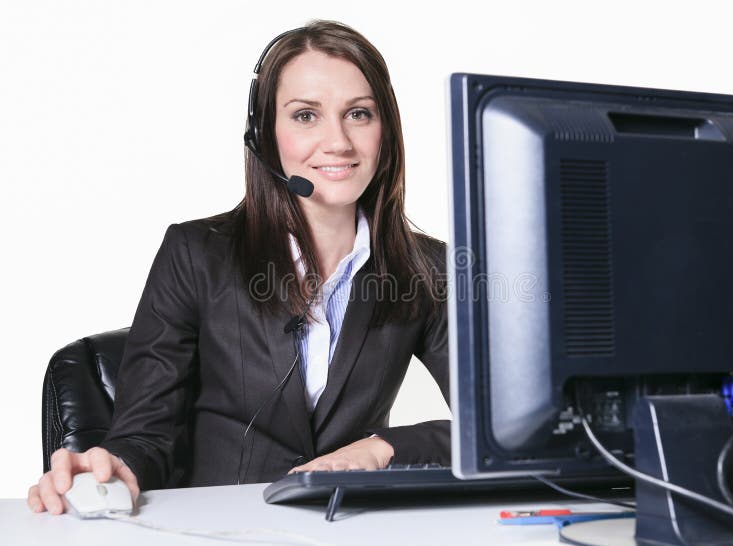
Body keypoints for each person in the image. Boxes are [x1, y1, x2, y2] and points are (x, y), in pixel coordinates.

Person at [28, 20, 449, 515]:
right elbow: (143, 438)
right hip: (220, 529)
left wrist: (381, 449)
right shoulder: (195, 253)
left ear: (386, 131)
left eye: (358, 113)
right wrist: (113, 468)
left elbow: (507, 429)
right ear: (264, 133)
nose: (337, 142)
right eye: (306, 115)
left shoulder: (426, 269)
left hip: (350, 526)